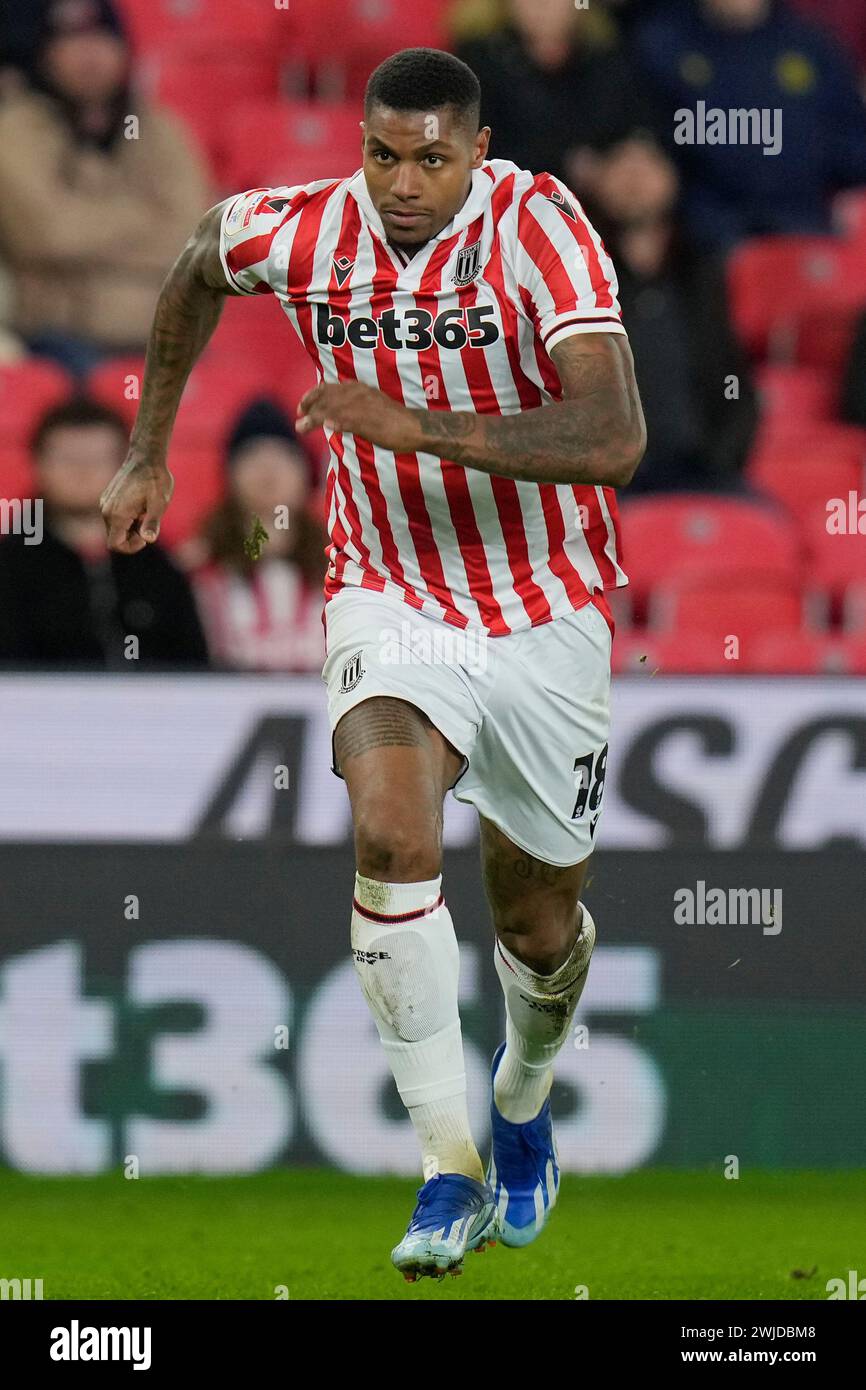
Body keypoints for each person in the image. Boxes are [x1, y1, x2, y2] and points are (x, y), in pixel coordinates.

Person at [99, 47, 646, 1279]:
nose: (404, 184)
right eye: (384, 156)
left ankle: (518, 1101)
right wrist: (148, 448)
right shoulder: (303, 231)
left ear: (478, 151)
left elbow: (613, 434)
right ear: (361, 146)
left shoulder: (538, 226)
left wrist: (417, 425)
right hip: (389, 592)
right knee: (392, 840)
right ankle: (445, 1163)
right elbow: (196, 262)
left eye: (433, 160)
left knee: (537, 919)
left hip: (546, 606)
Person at [0, 0, 209, 377]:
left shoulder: (157, 128)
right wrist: (146, 218)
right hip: (61, 343)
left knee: (230, 401)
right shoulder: (15, 128)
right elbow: (52, 234)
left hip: (166, 335)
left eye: (102, 38)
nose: (90, 54)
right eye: (71, 40)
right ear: (45, 53)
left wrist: (91, 227)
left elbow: (196, 238)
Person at [585, 136, 757, 492]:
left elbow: (733, 382)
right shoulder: (576, 270)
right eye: (621, 164)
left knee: (764, 531)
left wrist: (720, 461)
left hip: (703, 472)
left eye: (648, 164)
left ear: (673, 176)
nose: (635, 179)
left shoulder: (699, 271)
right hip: (609, 482)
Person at [633, 0, 866, 251]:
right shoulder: (661, 45)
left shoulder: (811, 44)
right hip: (704, 241)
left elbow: (852, 145)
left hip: (807, 233)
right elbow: (648, 154)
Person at [0, 397, 208, 668]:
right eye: (67, 458)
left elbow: (194, 670)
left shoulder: (158, 568)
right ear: (38, 464)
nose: (82, 472)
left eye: (98, 459)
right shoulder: (9, 567)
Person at [455, 0, 657, 188]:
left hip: (599, 207)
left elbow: (631, 127)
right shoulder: (478, 63)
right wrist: (570, 162)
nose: (541, 5)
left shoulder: (604, 58)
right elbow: (477, 155)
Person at [189, 398, 327, 672]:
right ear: (230, 473)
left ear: (306, 473)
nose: (268, 470)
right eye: (252, 455)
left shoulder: (343, 566)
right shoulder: (199, 566)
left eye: (282, 455)